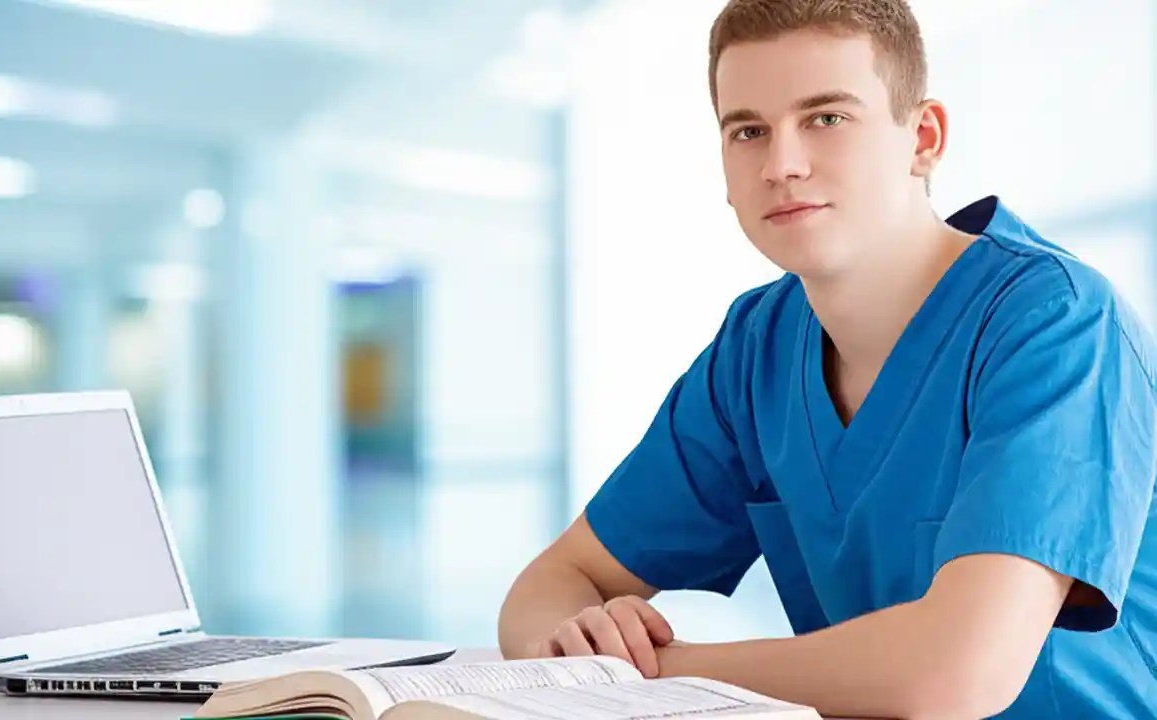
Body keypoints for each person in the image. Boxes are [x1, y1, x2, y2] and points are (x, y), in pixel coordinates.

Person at [496, 1, 1157, 717]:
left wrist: (652, 673)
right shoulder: (758, 349)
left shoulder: (1055, 323)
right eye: (748, 131)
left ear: (923, 139)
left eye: (827, 118)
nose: (781, 165)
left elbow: (961, 673)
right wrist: (576, 644)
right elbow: (556, 581)